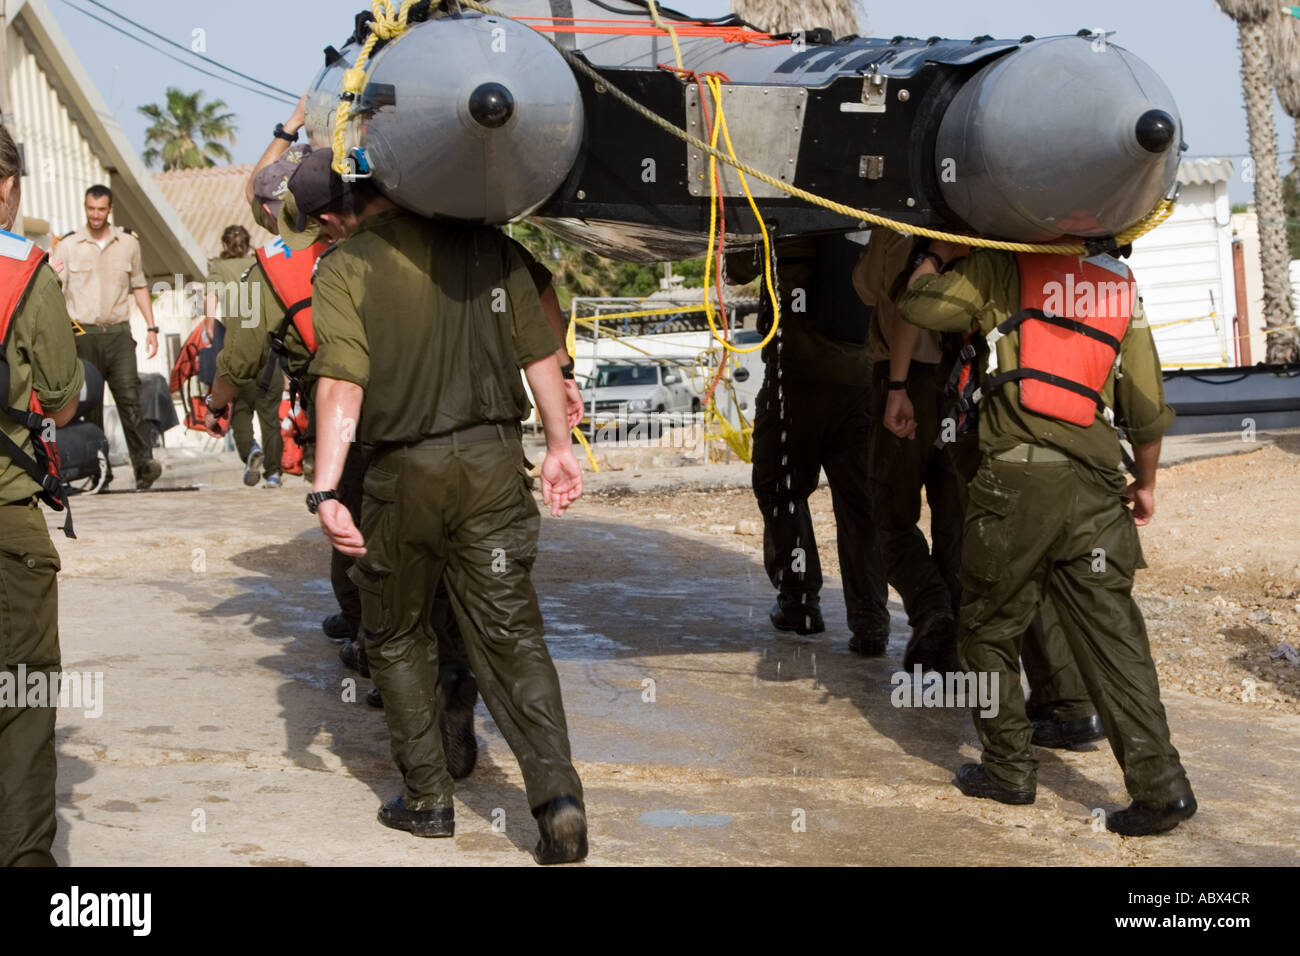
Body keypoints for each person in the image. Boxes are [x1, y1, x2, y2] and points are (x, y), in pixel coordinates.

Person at [293, 148, 588, 862]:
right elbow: (540, 352)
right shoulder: (489, 246)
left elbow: (341, 382)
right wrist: (558, 444)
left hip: (404, 473)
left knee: (396, 635)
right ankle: (558, 803)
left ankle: (427, 800)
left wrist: (328, 488)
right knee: (513, 635)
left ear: (336, 213)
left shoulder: (345, 267)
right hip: (491, 465)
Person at [897, 239, 1196, 836]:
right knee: (1116, 642)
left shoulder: (999, 266)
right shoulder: (1117, 286)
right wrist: (1146, 483)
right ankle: (1162, 789)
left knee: (985, 627)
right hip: (1097, 489)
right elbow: (1146, 406)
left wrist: (934, 252)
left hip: (1017, 484)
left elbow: (919, 307)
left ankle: (1009, 769)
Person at [859, 232, 1103, 749]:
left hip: (947, 397)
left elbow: (905, 304)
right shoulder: (1021, 248)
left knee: (904, 525)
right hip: (1001, 406)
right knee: (974, 541)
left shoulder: (927, 236)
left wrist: (898, 386)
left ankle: (941, 623)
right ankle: (1052, 695)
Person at [728, 235, 891, 654]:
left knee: (781, 492)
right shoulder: (866, 222)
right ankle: (870, 621)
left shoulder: (779, 227)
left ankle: (799, 604)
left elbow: (735, 270)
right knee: (860, 506)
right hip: (859, 385)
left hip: (795, 386)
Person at [0, 122, 86, 865]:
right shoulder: (28, 273)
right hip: (6, 520)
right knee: (20, 693)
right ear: (6, 185)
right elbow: (61, 401)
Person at [51, 185, 161, 489]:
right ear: (85, 207)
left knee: (130, 397)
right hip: (81, 334)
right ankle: (100, 470)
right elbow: (53, 291)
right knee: (90, 403)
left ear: (110, 209)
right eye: (90, 209)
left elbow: (139, 285)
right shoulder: (68, 245)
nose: (95, 215)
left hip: (118, 333)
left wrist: (152, 328)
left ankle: (144, 466)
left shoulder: (128, 243)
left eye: (101, 209)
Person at [204, 224, 283, 488]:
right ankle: (274, 473)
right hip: (270, 345)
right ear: (248, 244)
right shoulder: (261, 264)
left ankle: (250, 450)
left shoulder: (218, 267)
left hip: (239, 344)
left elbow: (211, 300)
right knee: (270, 413)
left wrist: (209, 329)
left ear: (225, 245)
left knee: (240, 408)